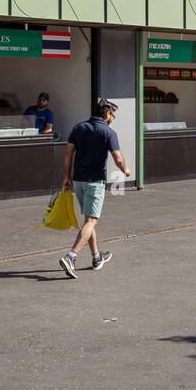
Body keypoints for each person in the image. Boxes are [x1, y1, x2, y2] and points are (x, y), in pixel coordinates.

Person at [58, 98, 131, 279]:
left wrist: (67, 177)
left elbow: (68, 154)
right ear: (106, 113)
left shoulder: (78, 128)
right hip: (95, 181)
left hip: (79, 181)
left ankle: (96, 257)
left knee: (88, 220)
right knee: (91, 221)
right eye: (112, 114)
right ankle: (71, 256)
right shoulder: (108, 132)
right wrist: (126, 170)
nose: (113, 117)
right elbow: (118, 158)